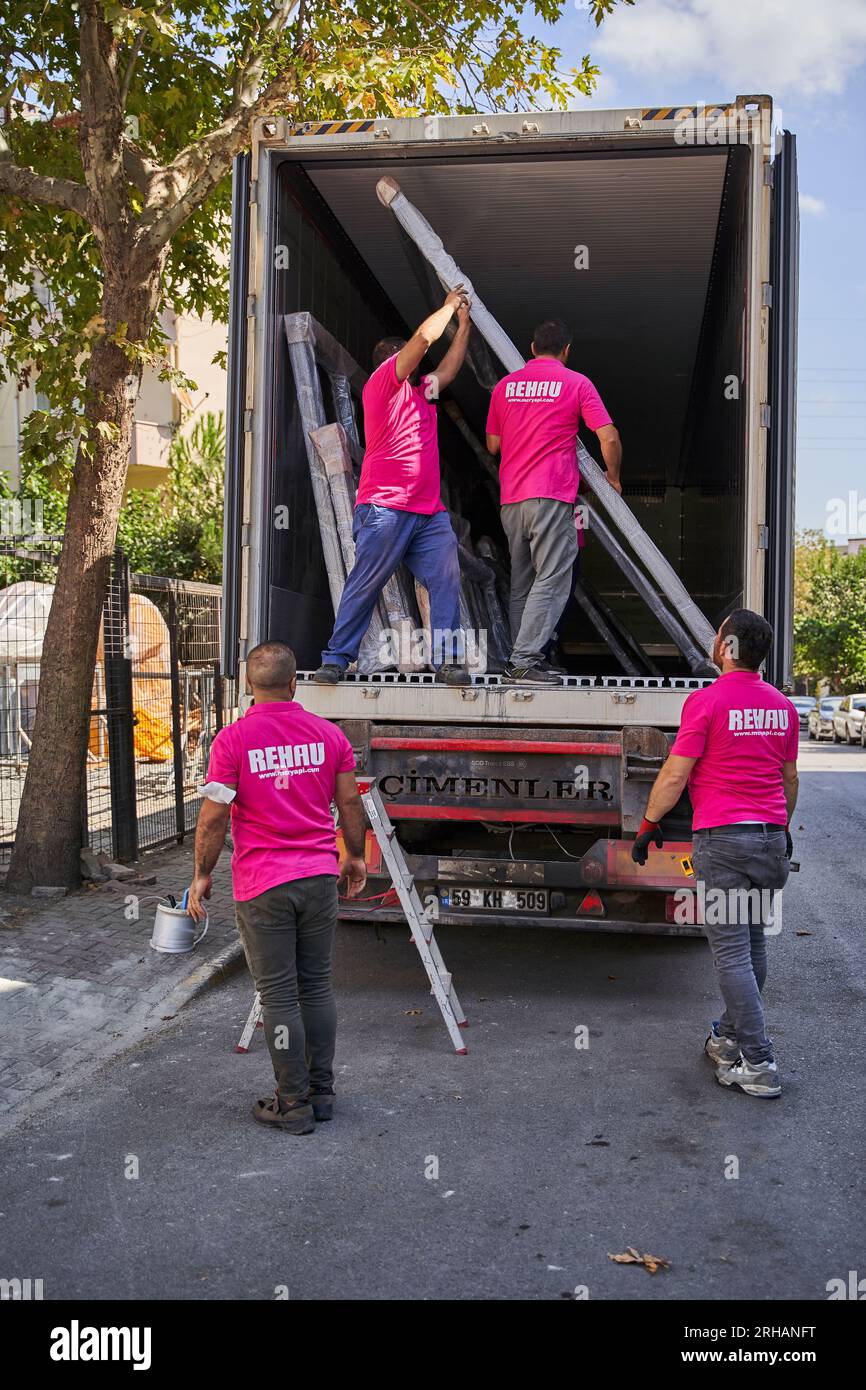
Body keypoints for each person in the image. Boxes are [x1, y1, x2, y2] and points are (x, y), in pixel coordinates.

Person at [187, 641, 368, 1134]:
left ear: (249, 685)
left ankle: (292, 1102)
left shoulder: (233, 740)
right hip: (317, 878)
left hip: (262, 883)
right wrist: (353, 855)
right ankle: (322, 1094)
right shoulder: (329, 736)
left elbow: (214, 817)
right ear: (294, 684)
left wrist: (202, 873)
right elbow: (350, 803)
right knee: (316, 986)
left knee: (279, 995)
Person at [630, 610, 799, 1100]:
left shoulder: (706, 702)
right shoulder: (782, 707)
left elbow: (675, 774)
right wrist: (782, 828)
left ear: (726, 648)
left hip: (724, 844)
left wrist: (647, 825)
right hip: (769, 841)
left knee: (731, 953)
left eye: (717, 634)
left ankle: (758, 1060)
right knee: (752, 946)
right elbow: (789, 780)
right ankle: (728, 1038)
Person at [314, 288, 473, 685]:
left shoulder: (422, 395)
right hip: (385, 507)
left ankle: (449, 660)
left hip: (428, 513)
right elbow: (423, 339)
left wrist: (464, 326)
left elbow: (449, 371)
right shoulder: (383, 384)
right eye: (409, 356)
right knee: (366, 582)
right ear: (393, 360)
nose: (418, 361)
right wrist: (450, 306)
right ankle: (336, 659)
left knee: (446, 578)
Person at [485, 318, 622, 685]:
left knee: (523, 582)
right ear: (566, 351)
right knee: (554, 577)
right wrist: (613, 478)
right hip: (551, 494)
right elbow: (608, 436)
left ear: (531, 349)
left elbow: (493, 445)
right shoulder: (577, 383)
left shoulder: (505, 387)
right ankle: (524, 660)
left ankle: (523, 657)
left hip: (512, 499)